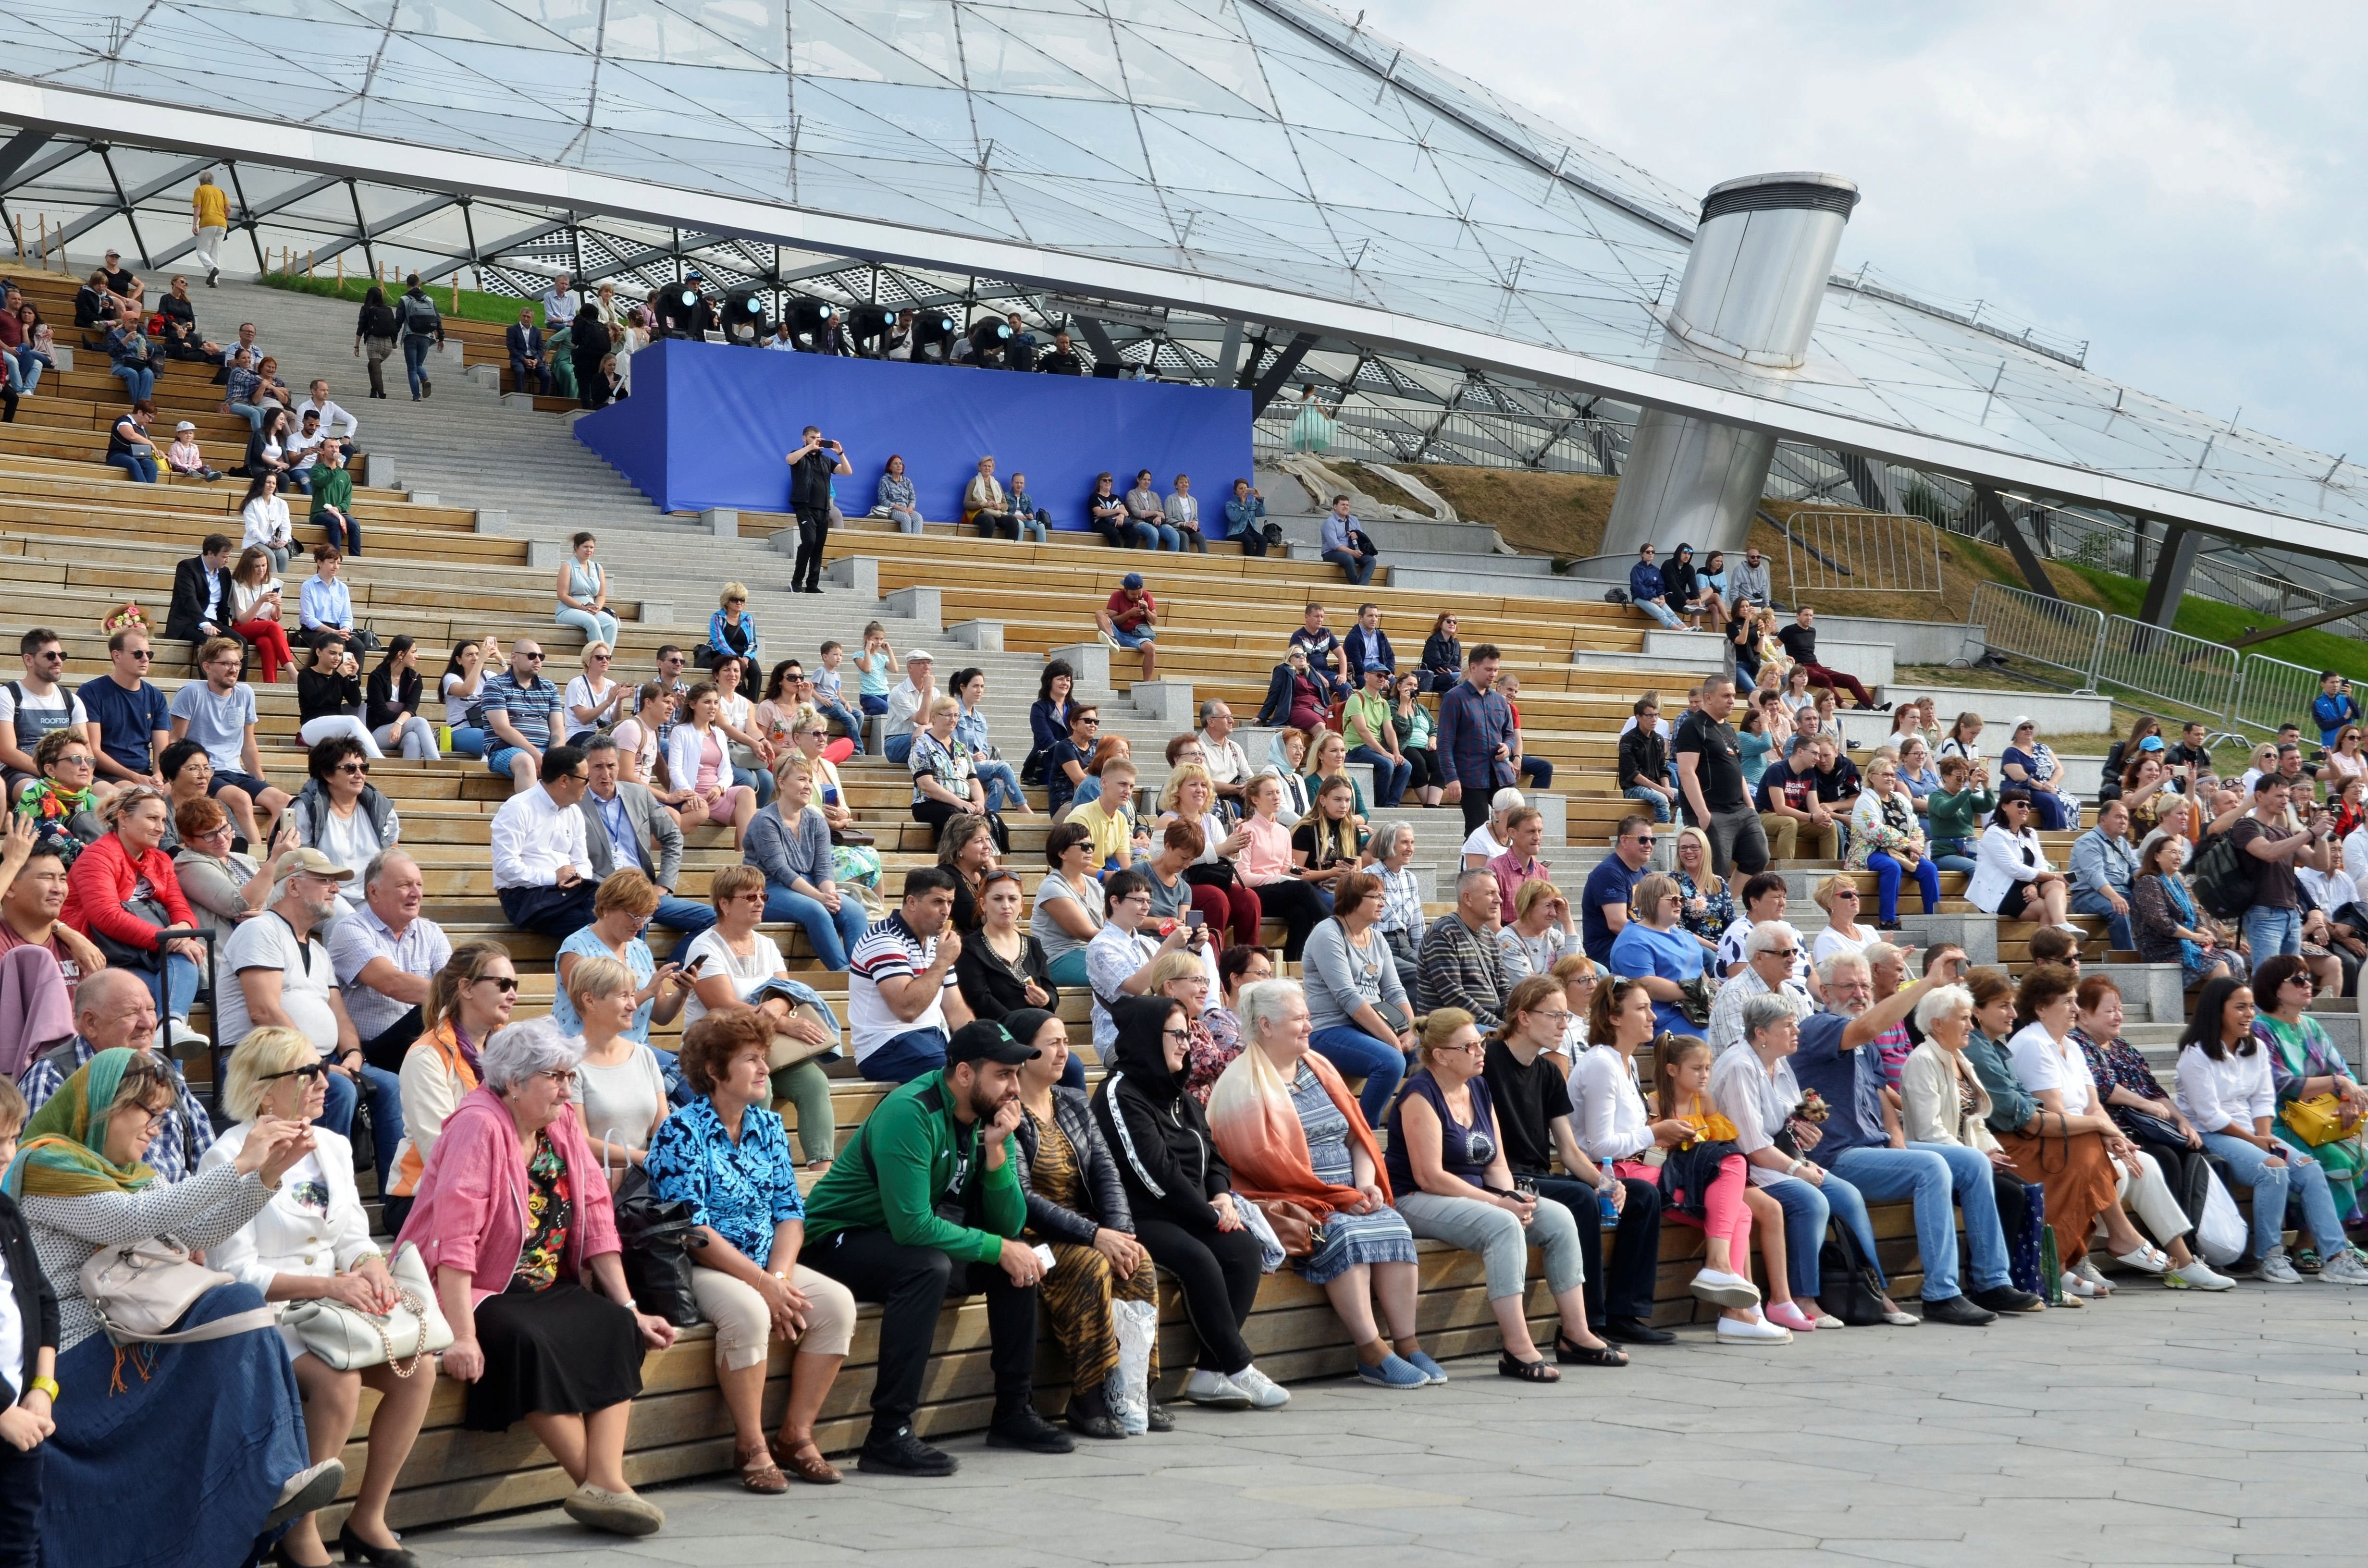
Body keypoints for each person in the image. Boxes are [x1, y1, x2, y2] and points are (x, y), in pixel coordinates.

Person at [9, 1046, 342, 1566]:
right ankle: (273, 1486)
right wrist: (239, 1164)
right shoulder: (48, 1166)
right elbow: (133, 1220)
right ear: (104, 1108)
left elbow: (193, 1231)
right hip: (75, 1359)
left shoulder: (128, 1171)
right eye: (147, 1112)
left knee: (237, 1304)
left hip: (130, 1339)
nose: (156, 1128)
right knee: (234, 1302)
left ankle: (272, 1481)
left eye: (164, 1115)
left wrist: (268, 1175)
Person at [399, 1020, 679, 1535]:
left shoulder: (561, 1121)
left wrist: (630, 1309)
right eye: (556, 1077)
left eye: (569, 1077)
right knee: (527, 1343)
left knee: (612, 1328)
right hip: (478, 1289)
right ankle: (604, 1491)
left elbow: (596, 1212)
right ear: (513, 1081)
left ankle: (604, 1483)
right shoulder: (477, 1126)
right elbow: (453, 1242)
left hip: (544, 1281)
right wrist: (461, 1335)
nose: (567, 1090)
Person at [202, 1027, 440, 1566]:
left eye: (323, 1067)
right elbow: (236, 1272)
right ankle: (298, 1530)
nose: (323, 1080)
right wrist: (334, 1284)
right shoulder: (228, 1156)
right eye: (306, 1073)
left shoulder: (331, 1145)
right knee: (338, 1382)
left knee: (419, 1366)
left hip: (334, 1306)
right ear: (264, 1092)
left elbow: (354, 1235)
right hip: (264, 1316)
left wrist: (373, 1268)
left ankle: (368, 1518)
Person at [802, 1017, 1075, 1473]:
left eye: (1015, 1074)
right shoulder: (911, 1111)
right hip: (836, 1240)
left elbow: (1010, 1223)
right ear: (965, 1073)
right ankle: (889, 1434)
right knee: (928, 1266)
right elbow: (912, 1226)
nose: (1014, 1087)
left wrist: (995, 1154)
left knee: (1015, 1261)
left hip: (894, 1234)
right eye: (1003, 1075)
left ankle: (1013, 1412)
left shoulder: (981, 1116)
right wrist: (998, 1247)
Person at [643, 1012, 857, 1491]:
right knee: (748, 1312)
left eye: (764, 1058)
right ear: (716, 1073)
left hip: (765, 1263)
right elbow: (692, 1230)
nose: (764, 1069)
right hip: (703, 1265)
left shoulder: (768, 1125)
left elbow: (789, 1213)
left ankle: (795, 1436)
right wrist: (761, 1286)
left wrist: (777, 1280)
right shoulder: (681, 1131)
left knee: (836, 1304)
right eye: (751, 1060)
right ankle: (750, 1444)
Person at [1206, 979, 1440, 1386]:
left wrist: (1365, 1184)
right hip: (1294, 1200)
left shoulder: (1320, 1065)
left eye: (1309, 1017)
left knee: (1393, 1225)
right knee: (1344, 1234)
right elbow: (1268, 1167)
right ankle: (1371, 1350)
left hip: (1349, 1192)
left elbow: (1358, 1133)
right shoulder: (1240, 1085)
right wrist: (1339, 1198)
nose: (1309, 1027)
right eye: (1299, 1019)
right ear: (1266, 1025)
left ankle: (1408, 1344)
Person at [1789, 950, 2044, 1323]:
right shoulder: (1819, 1027)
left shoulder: (1865, 1041)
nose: (1859, 993)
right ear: (1825, 993)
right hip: (1835, 1156)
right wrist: (1927, 984)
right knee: (1931, 1167)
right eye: (1848, 986)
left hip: (1874, 1148)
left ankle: (1992, 1282)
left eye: (1864, 985)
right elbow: (1868, 1028)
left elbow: (1880, 1095)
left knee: (1973, 1162)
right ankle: (1941, 1294)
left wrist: (1896, 1136)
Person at [1075, 997, 1280, 1425]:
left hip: (1190, 1211)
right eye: (1179, 1034)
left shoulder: (1180, 1096)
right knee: (1200, 1258)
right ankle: (1240, 1365)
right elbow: (1154, 1174)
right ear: (1150, 1038)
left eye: (1188, 1034)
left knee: (1242, 1249)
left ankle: (1209, 1372)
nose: (1188, 1044)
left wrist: (1222, 1197)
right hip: (1135, 1217)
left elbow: (1215, 1155)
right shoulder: (1120, 1093)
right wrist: (1209, 1217)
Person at [1388, 1008, 1608, 1377]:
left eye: (1481, 1042)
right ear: (1441, 1055)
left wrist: (1513, 1196)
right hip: (1414, 1199)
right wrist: (1498, 1203)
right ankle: (1518, 1348)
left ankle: (1576, 1334)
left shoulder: (1478, 1086)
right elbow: (1430, 1177)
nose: (1480, 1051)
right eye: (1470, 1046)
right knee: (1504, 1225)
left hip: (1473, 1195)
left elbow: (1496, 1164)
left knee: (1559, 1218)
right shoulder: (1419, 1094)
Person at [1998, 964, 2225, 1297]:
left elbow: (2093, 1105)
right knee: (2114, 1167)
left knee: (2143, 1163)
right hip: (2052, 1147)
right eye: (2067, 1002)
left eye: (2076, 1000)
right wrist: (2104, 1133)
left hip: (2083, 1138)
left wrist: (2114, 1136)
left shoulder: (2072, 1047)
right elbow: (2056, 1115)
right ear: (2041, 1008)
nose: (2075, 1008)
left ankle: (2185, 1264)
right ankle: (2079, 1255)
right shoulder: (2032, 1044)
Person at [2172, 974, 2358, 1284]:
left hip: (2251, 1134)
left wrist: (2265, 1135)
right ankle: (2269, 1256)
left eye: (2251, 1007)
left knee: (2310, 1169)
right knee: (2274, 1169)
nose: (2249, 1014)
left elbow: (2263, 1099)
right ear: (2218, 1011)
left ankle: (2337, 1257)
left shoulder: (2255, 1047)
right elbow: (2209, 1116)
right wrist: (2256, 1141)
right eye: (2240, 1007)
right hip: (2210, 1136)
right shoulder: (2196, 1055)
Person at [2074, 973, 2221, 1240]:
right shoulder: (2078, 1044)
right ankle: (2174, 1245)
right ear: (2084, 1016)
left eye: (2119, 1009)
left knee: (2194, 1150)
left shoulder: (2123, 1047)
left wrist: (2182, 1121)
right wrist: (2145, 1105)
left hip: (2150, 1126)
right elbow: (2102, 1088)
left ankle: (2205, 1237)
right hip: (2118, 1130)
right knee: (2164, 1158)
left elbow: (2154, 1090)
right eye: (2109, 1011)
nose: (2118, 1016)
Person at [1299, 870, 1415, 1127]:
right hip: (1330, 1028)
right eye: (1376, 897)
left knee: (1435, 1055)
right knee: (1391, 1061)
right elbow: (1347, 996)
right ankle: (1365, 1135)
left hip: (1371, 1028)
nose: (1383, 903)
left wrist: (1411, 1029)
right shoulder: (1327, 933)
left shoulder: (1377, 938)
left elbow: (1395, 990)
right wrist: (1389, 1038)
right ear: (1353, 899)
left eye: (1383, 896)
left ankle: (1406, 1130)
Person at [328, 847, 450, 1072]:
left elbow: (451, 982)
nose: (416, 893)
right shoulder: (350, 929)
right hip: (371, 1051)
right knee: (434, 1013)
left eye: (419, 885)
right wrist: (465, 997)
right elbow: (391, 983)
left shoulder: (431, 932)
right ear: (374, 892)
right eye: (405, 885)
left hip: (422, 1048)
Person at [850, 868, 976, 1083]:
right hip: (885, 1047)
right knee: (960, 1078)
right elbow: (907, 1010)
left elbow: (955, 1008)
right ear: (912, 902)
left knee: (992, 1065)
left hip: (931, 1038)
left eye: (950, 902)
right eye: (938, 902)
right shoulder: (884, 940)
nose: (946, 911)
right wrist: (942, 962)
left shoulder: (937, 941)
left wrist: (982, 1040)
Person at [2226, 774, 2338, 961]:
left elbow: (2320, 864)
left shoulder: (2284, 833)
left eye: (2287, 796)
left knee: (2289, 976)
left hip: (2291, 913)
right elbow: (2269, 853)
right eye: (2279, 796)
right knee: (2266, 975)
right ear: (2260, 796)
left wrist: (2321, 836)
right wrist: (2310, 832)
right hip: (2263, 912)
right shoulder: (2245, 826)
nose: (2285, 801)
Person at [492, 741, 597, 938]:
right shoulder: (518, 808)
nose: (589, 785)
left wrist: (578, 878)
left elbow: (582, 860)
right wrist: (554, 877)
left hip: (570, 891)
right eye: (586, 779)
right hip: (525, 895)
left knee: (626, 910)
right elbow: (505, 868)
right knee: (598, 928)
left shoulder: (573, 811)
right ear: (564, 781)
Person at [1966, 789, 2079, 932]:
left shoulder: (2030, 833)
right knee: (2049, 907)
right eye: (2021, 805)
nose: (2026, 809)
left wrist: (2033, 884)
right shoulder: (1994, 833)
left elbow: (2040, 864)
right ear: (2004, 806)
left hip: (2023, 885)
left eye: (2028, 806)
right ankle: (2050, 947)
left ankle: (2060, 924)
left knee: (2057, 885)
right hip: (2000, 891)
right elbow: (2013, 868)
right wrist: (2056, 875)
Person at [482, 638, 566, 793]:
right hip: (506, 750)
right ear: (514, 657)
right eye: (532, 656)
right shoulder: (495, 685)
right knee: (526, 761)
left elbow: (558, 728)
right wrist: (535, 754)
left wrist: (554, 757)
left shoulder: (549, 688)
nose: (538, 661)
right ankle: (531, 817)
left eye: (541, 657)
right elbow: (502, 729)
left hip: (546, 751)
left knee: (578, 764)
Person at [2065, 798, 2140, 950]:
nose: (2123, 821)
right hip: (2089, 895)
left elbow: (2137, 869)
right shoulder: (2088, 841)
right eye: (2119, 817)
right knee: (2119, 911)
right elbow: (2095, 875)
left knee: (2154, 909)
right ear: (2103, 820)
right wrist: (2115, 897)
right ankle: (2128, 961)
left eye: (2126, 818)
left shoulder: (2123, 843)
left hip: (2123, 892)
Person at [785, 427, 851, 595]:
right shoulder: (799, 455)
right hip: (805, 506)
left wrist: (840, 453)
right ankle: (796, 581)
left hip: (823, 508)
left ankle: (812, 584)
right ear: (804, 438)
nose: (817, 440)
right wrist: (809, 447)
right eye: (813, 437)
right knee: (809, 541)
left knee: (818, 546)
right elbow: (790, 460)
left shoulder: (826, 460)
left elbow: (847, 471)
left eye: (819, 438)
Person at [1579, 813, 1653, 965]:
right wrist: (1658, 938)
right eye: (1643, 839)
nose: (1649, 845)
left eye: (1652, 840)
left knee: (1702, 954)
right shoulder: (1609, 873)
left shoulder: (1646, 874)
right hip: (1609, 948)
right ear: (1624, 841)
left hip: (1638, 942)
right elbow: (1617, 924)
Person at [1777, 607, 1878, 709]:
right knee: (1824, 679)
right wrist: (1785, 658)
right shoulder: (1788, 630)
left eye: (1811, 615)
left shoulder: (1813, 631)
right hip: (1801, 667)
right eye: (1806, 615)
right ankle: (1844, 705)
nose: (1809, 618)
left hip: (1815, 665)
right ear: (1798, 616)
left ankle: (1871, 706)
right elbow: (1774, 648)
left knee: (1851, 680)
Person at [365, 636, 441, 761]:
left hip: (400, 732)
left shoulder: (415, 678)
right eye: (413, 652)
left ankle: (412, 778)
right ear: (401, 654)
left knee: (413, 739)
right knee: (419, 722)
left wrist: (399, 724)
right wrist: (399, 723)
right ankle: (436, 764)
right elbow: (381, 712)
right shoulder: (377, 677)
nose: (417, 656)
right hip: (377, 734)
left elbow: (411, 708)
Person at [166, 534, 237, 648]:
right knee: (211, 644)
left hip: (215, 623)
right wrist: (204, 624)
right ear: (210, 554)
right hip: (188, 622)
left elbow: (226, 604)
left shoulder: (225, 573)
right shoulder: (187, 567)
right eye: (224, 557)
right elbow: (189, 599)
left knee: (240, 642)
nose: (227, 561)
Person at [553, 531, 619, 650]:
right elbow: (562, 595)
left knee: (611, 623)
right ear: (576, 548)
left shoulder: (597, 568)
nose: (589, 550)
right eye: (585, 547)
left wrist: (598, 607)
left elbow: (601, 595)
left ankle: (606, 657)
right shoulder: (568, 566)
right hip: (569, 609)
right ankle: (598, 655)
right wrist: (582, 607)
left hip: (591, 607)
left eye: (591, 547)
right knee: (592, 622)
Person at [1097, 573, 1159, 681]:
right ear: (1125, 590)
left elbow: (1154, 621)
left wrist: (1146, 610)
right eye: (1133, 594)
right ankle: (1112, 640)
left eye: (1139, 594)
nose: (1136, 597)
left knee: (1151, 648)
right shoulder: (1117, 596)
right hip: (1119, 633)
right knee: (1099, 614)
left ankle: (1146, 683)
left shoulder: (1147, 596)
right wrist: (1129, 614)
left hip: (1138, 636)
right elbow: (1113, 620)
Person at [882, 648, 937, 767]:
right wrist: (928, 690)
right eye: (922, 663)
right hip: (896, 744)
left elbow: (938, 722)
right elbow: (922, 719)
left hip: (923, 737)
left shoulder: (935, 692)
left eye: (929, 663)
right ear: (910, 667)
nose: (927, 667)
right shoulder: (899, 692)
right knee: (930, 737)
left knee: (943, 732)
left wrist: (923, 728)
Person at [395, 273, 444, 400]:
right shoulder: (429, 300)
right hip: (426, 337)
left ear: (407, 285)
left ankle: (416, 396)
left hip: (410, 336)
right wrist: (441, 338)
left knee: (412, 368)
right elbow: (438, 319)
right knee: (419, 364)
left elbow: (398, 321)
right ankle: (424, 378)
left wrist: (393, 339)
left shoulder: (404, 300)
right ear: (419, 285)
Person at [1318, 494, 1378, 586]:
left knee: (1371, 560)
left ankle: (1362, 586)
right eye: (1343, 505)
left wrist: (1357, 536)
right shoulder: (1329, 523)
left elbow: (1362, 536)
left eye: (1347, 505)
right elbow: (1335, 545)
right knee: (1348, 558)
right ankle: (1355, 585)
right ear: (1335, 507)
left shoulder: (1354, 520)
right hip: (1331, 553)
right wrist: (1352, 552)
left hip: (1352, 551)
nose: (1346, 507)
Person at [1626, 542, 1684, 629]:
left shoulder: (1656, 570)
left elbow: (1660, 586)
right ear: (1642, 554)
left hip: (1655, 598)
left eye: (1653, 552)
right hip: (1640, 598)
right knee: (1661, 613)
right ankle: (1681, 631)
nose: (1651, 554)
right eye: (1648, 552)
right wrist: (1652, 599)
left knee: (1671, 613)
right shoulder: (1637, 569)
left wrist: (1662, 599)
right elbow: (1639, 587)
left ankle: (1686, 629)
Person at [507, 305, 548, 393]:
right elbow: (512, 348)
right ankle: (520, 396)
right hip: (519, 359)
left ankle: (543, 400)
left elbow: (540, 349)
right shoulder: (512, 330)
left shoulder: (537, 331)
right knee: (520, 371)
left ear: (532, 319)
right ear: (520, 316)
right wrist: (524, 360)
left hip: (534, 359)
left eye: (528, 317)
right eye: (524, 316)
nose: (526, 319)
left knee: (547, 376)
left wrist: (537, 360)